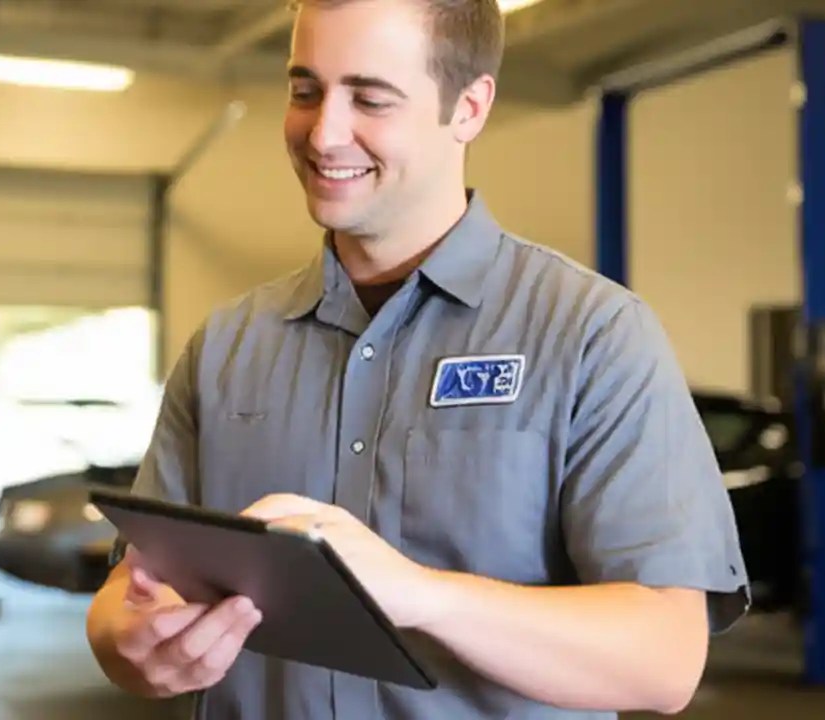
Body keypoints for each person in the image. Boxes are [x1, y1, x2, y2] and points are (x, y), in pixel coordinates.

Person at [85, 0, 750, 718]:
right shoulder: (226, 348)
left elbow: (665, 659)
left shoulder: (593, 336)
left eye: (370, 98)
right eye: (305, 91)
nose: (324, 131)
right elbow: (129, 590)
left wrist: (420, 593)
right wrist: (130, 640)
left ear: (468, 107)